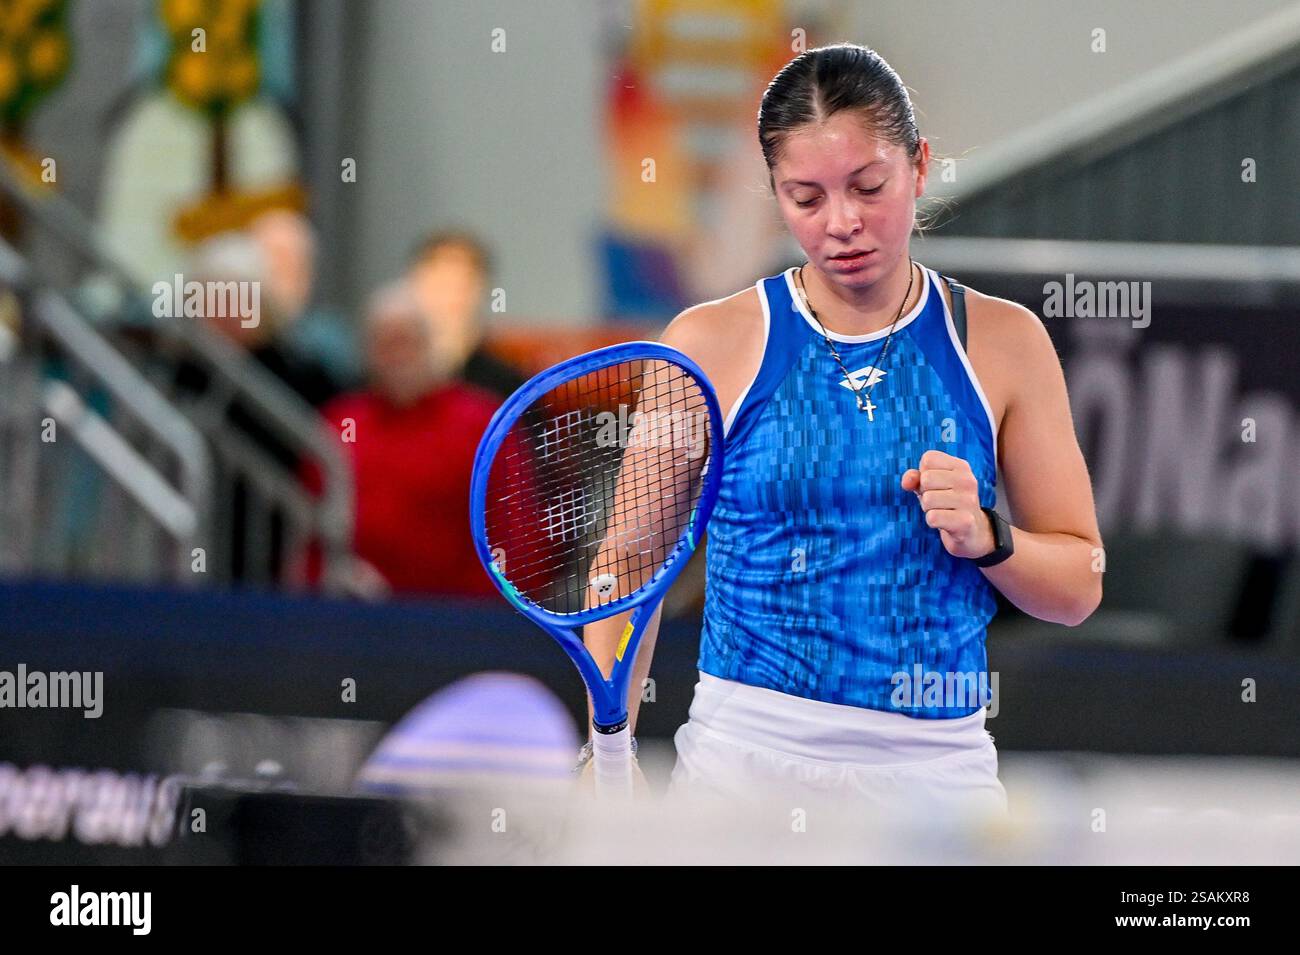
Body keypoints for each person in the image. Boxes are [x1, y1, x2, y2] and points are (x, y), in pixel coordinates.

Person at [583, 44, 1103, 819]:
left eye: (869, 186)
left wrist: (994, 537)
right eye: (806, 197)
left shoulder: (1006, 342)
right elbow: (628, 568)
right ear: (773, 194)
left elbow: (1080, 584)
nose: (843, 223)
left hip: (939, 776)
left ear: (920, 166)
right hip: (741, 771)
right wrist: (607, 756)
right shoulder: (705, 344)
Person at [315, 282, 514, 597]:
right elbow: (312, 531)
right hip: (352, 615)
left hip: (460, 620)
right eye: (386, 344)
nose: (398, 356)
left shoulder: (481, 423)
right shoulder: (340, 422)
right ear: (368, 351)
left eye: (408, 342)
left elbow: (513, 532)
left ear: (431, 344)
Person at [406, 229, 525, 400]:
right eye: (440, 284)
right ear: (413, 284)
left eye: (463, 285)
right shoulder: (375, 387)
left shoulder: (508, 387)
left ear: (481, 288)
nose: (451, 296)